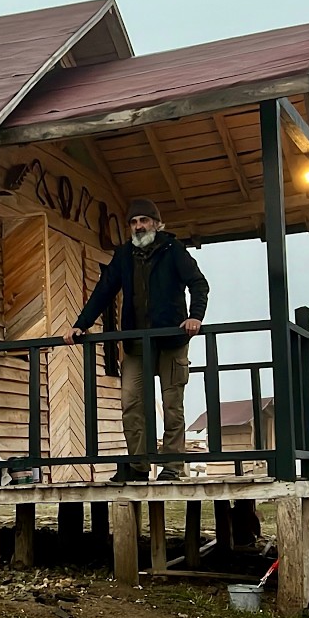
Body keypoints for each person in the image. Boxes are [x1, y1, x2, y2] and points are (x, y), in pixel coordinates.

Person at [64, 198, 210, 482]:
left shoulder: (173, 250)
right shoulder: (123, 255)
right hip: (135, 343)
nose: (139, 226)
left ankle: (172, 465)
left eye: (144, 220)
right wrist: (80, 325)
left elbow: (199, 284)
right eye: (134, 222)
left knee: (172, 405)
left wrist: (195, 316)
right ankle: (138, 465)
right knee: (131, 403)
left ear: (156, 223)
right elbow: (103, 292)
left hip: (171, 340)